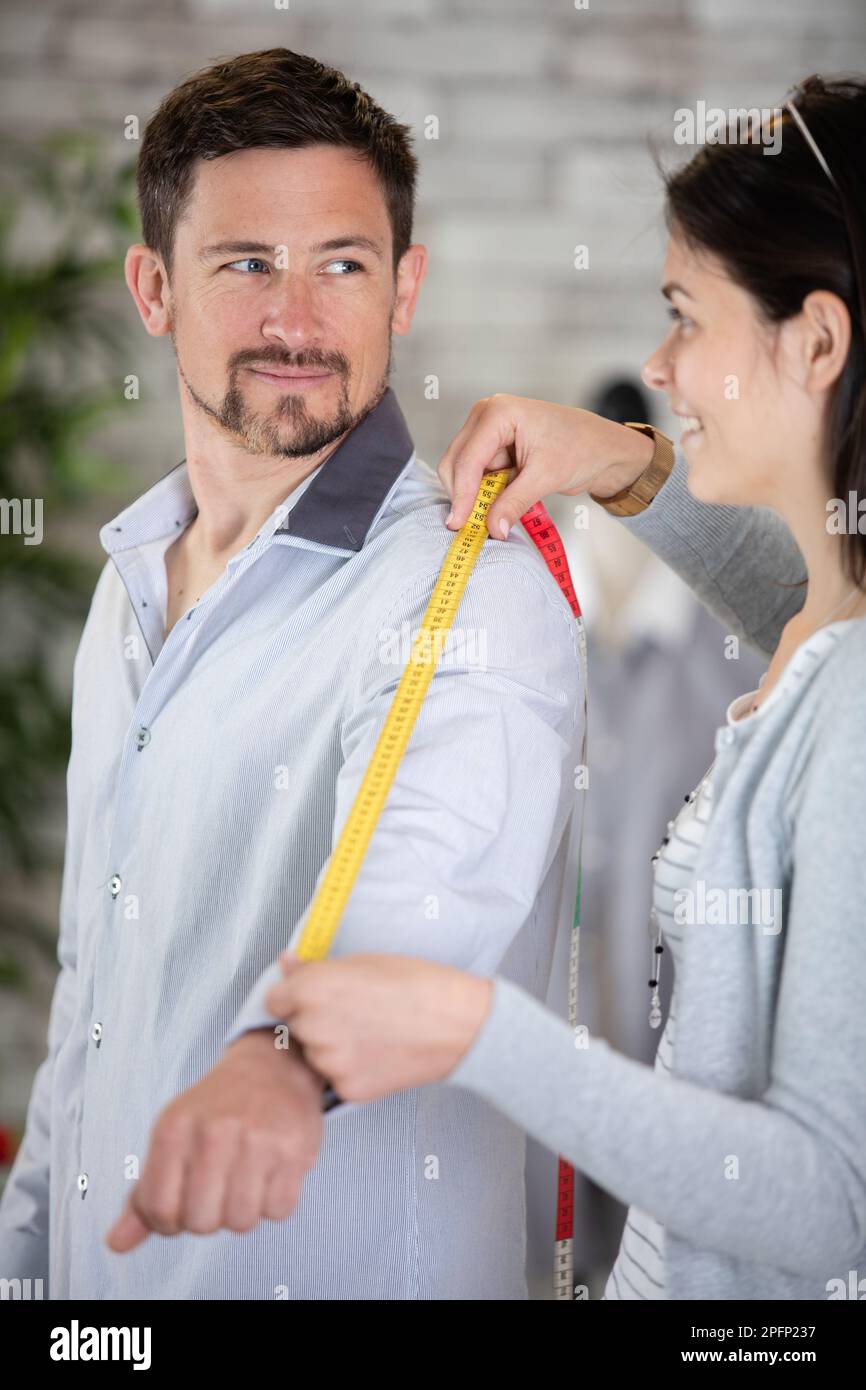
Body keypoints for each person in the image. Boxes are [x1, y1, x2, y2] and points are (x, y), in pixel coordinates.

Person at [264, 75, 866, 1300]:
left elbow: (821, 1198)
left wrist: (475, 1032)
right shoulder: (829, 618)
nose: (656, 365)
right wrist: (619, 462)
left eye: (685, 318)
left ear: (812, 341)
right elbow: (792, 621)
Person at [0, 48, 585, 1299]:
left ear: (403, 286)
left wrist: (285, 1056)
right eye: (247, 265)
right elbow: (94, 1002)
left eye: (342, 265)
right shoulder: (128, 588)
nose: (297, 322)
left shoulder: (465, 588)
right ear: (153, 287)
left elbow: (422, 903)